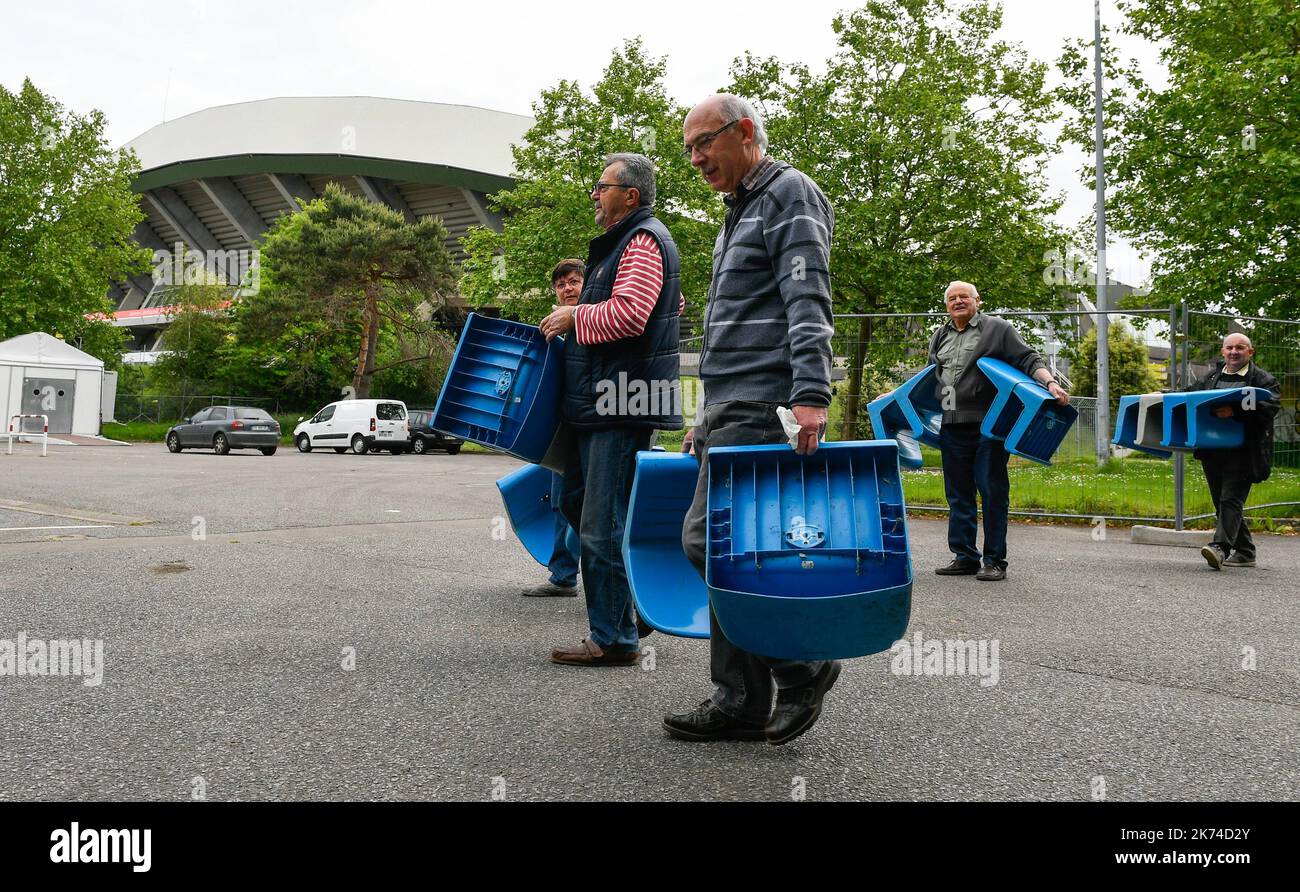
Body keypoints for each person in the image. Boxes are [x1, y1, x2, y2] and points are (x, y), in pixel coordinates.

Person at [664, 94, 838, 746]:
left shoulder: (788, 193)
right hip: (729, 404)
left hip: (766, 404)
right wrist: (705, 414)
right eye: (688, 149)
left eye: (704, 142)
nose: (696, 158)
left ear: (744, 133)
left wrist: (810, 396)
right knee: (734, 551)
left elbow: (808, 299)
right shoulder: (739, 210)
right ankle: (739, 699)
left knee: (709, 544)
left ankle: (801, 667)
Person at [538, 153, 683, 666]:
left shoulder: (642, 240)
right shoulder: (620, 244)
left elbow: (630, 315)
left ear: (631, 195)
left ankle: (614, 637)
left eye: (602, 186)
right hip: (597, 405)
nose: (594, 195)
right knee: (576, 505)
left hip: (620, 405)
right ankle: (628, 607)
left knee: (601, 524)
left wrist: (574, 315)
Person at [928, 281, 1069, 582]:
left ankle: (994, 561)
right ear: (946, 305)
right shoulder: (939, 335)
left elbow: (1029, 358)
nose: (958, 302)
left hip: (989, 425)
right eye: (952, 298)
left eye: (964, 296)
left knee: (992, 491)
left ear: (977, 300)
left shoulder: (998, 329)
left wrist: (1050, 383)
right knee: (958, 494)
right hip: (951, 424)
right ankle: (965, 556)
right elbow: (930, 377)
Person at [1187, 333, 1281, 569]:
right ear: (1223, 352)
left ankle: (1219, 548)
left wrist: (1235, 412)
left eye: (1240, 347)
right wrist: (1162, 394)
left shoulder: (1264, 380)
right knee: (1222, 503)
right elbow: (1189, 394)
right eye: (1229, 348)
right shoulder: (1212, 377)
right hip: (1212, 450)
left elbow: (1269, 408)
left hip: (1243, 451)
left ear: (1251, 351)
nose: (1234, 352)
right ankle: (1246, 552)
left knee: (1230, 500)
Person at [520, 260, 586, 598]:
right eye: (561, 285)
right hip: (566, 430)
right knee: (564, 501)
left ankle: (618, 575)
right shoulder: (552, 329)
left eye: (574, 281)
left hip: (602, 425)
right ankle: (563, 576)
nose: (568, 288)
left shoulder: (599, 320)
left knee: (603, 505)